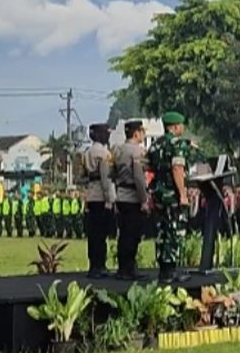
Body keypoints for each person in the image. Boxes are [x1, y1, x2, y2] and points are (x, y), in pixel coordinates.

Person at [146, 111, 194, 281]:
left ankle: (163, 269)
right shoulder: (176, 144)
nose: (183, 128)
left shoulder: (155, 145)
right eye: (181, 125)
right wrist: (183, 194)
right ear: (174, 127)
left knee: (162, 231)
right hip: (172, 194)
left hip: (158, 194)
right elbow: (177, 169)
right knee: (174, 230)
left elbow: (148, 168)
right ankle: (171, 270)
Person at [113, 119, 149, 280]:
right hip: (133, 196)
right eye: (142, 132)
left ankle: (122, 268)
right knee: (132, 234)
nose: (143, 135)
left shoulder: (118, 150)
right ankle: (129, 268)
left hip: (121, 194)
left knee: (123, 233)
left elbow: (112, 173)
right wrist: (143, 199)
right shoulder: (137, 152)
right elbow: (139, 178)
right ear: (136, 133)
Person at [79, 124, 116, 277]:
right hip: (102, 196)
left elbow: (82, 176)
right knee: (101, 234)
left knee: (92, 234)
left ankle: (93, 265)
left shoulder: (86, 153)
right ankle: (100, 266)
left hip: (91, 194)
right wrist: (110, 199)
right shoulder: (104, 154)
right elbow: (106, 179)